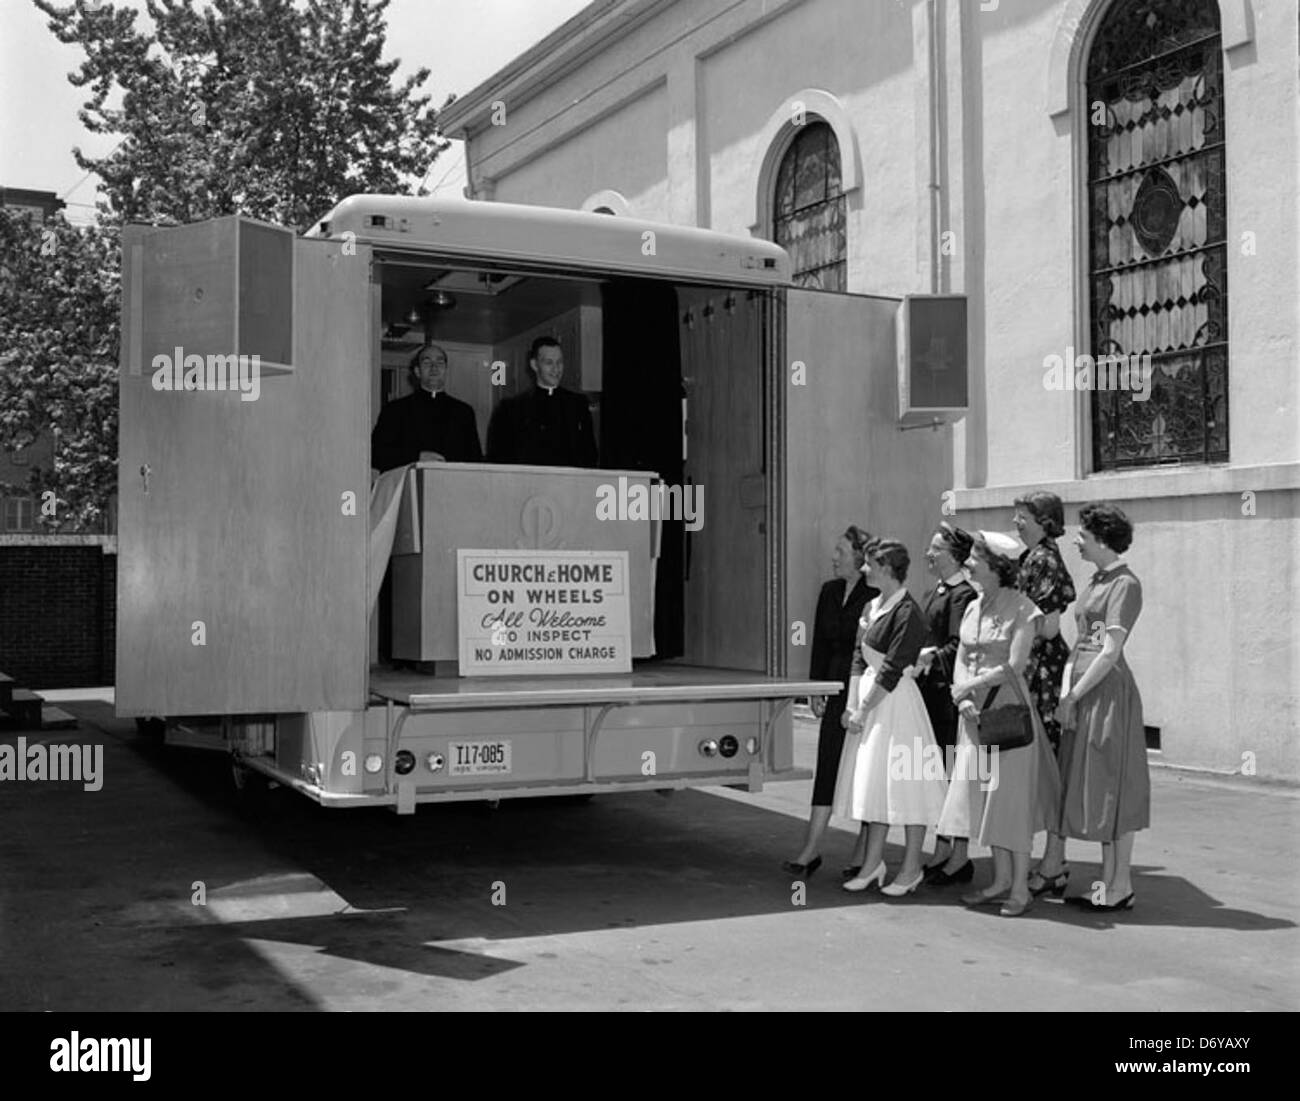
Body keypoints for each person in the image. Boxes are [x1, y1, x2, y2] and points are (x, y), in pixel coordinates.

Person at [936, 531, 1061, 917]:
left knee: (1011, 803)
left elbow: (1015, 666)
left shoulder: (1024, 609)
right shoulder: (974, 605)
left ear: (996, 566)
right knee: (989, 800)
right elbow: (964, 654)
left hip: (1008, 715)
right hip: (974, 714)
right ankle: (1001, 880)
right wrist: (963, 697)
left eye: (975, 558)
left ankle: (1020, 888)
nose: (968, 563)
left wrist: (966, 689)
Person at [835, 539, 948, 898]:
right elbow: (857, 657)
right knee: (874, 785)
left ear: (885, 568)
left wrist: (863, 709)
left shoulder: (909, 613)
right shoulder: (872, 605)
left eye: (869, 564)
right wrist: (852, 705)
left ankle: (912, 867)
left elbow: (892, 670)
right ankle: (872, 865)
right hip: (872, 702)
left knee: (908, 786)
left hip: (896, 705)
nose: (864, 569)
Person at [1057, 503, 1148, 912]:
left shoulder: (1125, 585)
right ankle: (1109, 883)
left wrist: (1074, 695)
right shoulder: (1097, 580)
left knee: (1114, 784)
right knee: (1097, 785)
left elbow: (1110, 651)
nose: (1077, 540)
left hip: (1106, 693)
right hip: (1083, 688)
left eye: (1084, 535)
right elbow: (1079, 641)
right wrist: (1066, 689)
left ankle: (1120, 883)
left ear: (1102, 539)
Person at [782, 525, 877, 879]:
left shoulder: (876, 593)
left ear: (859, 557)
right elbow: (819, 643)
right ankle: (811, 850)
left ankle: (862, 854)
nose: (833, 557)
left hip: (863, 691)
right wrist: (815, 688)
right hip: (835, 689)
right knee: (828, 768)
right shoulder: (829, 591)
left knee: (863, 770)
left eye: (840, 551)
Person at [1012, 491, 1078, 897]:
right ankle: (1051, 859)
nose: (1017, 521)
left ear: (1044, 520)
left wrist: (1009, 636)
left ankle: (1053, 860)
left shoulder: (1045, 560)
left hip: (1044, 675)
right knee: (1042, 767)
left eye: (1024, 516)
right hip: (1035, 670)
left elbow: (1049, 628)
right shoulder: (1034, 557)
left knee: (1049, 768)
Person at [915, 523, 978, 885]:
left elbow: (959, 645)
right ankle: (941, 848)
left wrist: (930, 657)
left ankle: (959, 855)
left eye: (935, 549)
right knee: (937, 772)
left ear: (954, 557)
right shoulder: (935, 591)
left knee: (954, 773)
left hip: (948, 697)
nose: (929, 554)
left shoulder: (963, 596)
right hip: (930, 693)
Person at [486, 336, 598, 467]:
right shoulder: (511, 408)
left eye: (560, 362)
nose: (556, 369)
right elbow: (499, 458)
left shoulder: (578, 404)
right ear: (534, 365)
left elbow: (590, 454)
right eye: (549, 363)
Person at [370, 343, 483, 472]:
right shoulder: (395, 410)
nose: (434, 368)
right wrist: (416, 457)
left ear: (446, 369)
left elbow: (475, 461)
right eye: (427, 363)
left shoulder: (464, 413)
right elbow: (376, 454)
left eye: (440, 363)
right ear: (417, 371)